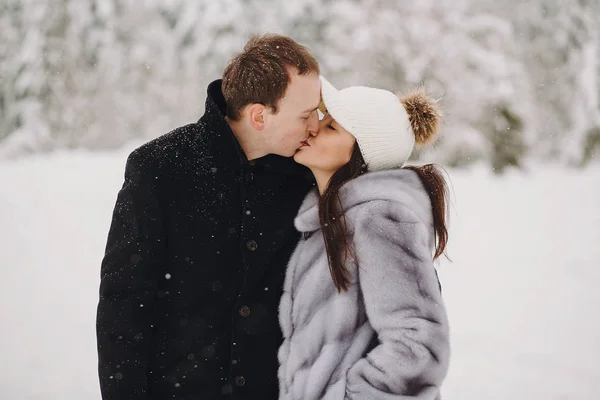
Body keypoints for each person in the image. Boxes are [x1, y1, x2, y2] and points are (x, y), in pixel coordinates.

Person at [96, 34, 321, 400]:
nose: (315, 125)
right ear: (260, 116)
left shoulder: (306, 176)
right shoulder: (159, 168)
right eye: (306, 114)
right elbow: (124, 306)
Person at [277, 77, 451, 399]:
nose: (314, 128)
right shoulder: (327, 223)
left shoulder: (377, 219)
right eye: (323, 119)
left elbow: (418, 343)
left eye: (331, 128)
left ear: (360, 154)